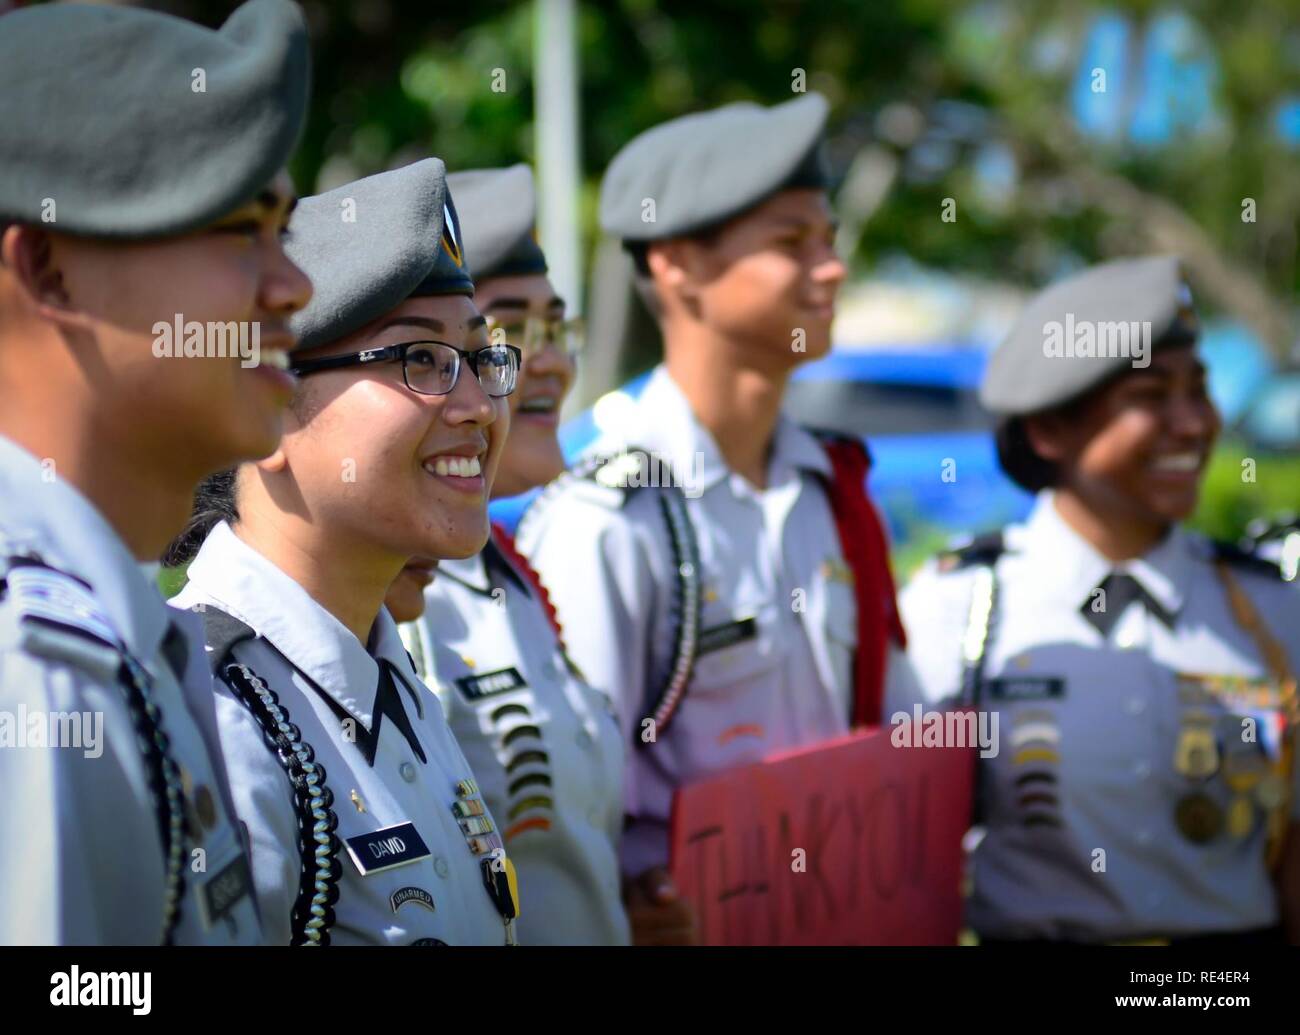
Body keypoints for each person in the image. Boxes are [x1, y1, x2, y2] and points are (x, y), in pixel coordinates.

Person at [516, 94, 922, 899]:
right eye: (791, 243)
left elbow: (892, 736)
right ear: (679, 266)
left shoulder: (833, 494)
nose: (832, 267)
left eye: (829, 240)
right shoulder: (609, 519)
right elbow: (571, 808)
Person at [0, 0, 312, 945]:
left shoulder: (111, 633)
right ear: (51, 271)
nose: (292, 286)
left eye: (283, 231)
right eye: (234, 229)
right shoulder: (37, 672)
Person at [164, 159, 524, 945]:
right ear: (268, 413)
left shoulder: (392, 681)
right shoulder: (206, 714)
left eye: (479, 357)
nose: (478, 407)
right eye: (417, 359)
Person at [899, 255, 1300, 945]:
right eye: (1150, 397)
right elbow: (897, 850)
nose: (1193, 424)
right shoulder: (959, 608)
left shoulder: (1269, 611)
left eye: (1198, 390)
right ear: (1049, 431)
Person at [386, 164, 635, 945]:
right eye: (508, 332)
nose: (549, 363)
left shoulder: (510, 573)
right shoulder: (387, 589)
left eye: (554, 328)